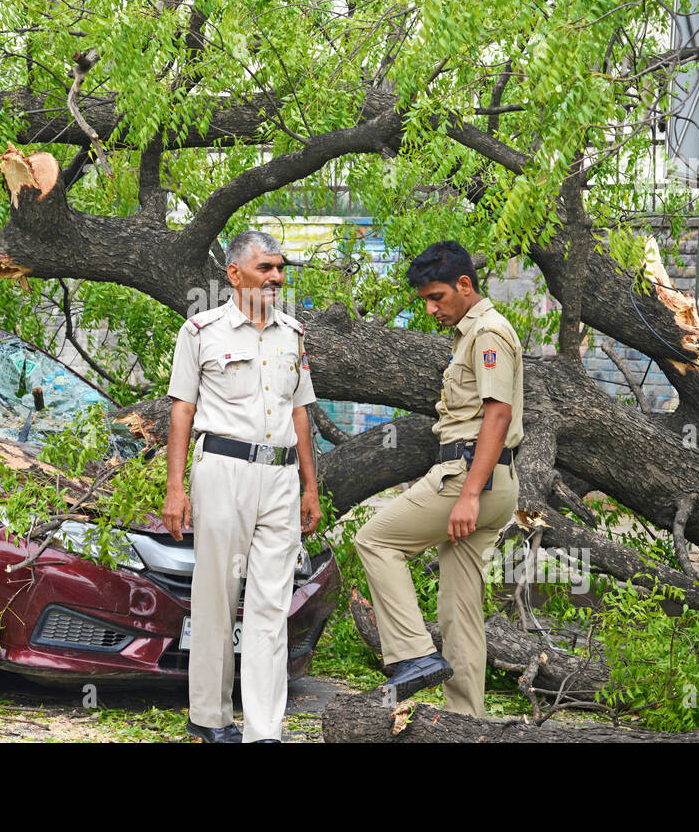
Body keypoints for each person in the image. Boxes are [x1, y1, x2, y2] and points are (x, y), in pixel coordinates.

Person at [161, 230, 322, 743]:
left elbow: (301, 414)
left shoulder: (293, 335)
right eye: (266, 269)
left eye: (281, 269)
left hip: (279, 478)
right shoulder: (200, 331)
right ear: (234, 274)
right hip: (222, 470)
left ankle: (264, 730)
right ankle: (210, 717)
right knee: (216, 595)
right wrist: (175, 487)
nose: (277, 278)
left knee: (272, 605)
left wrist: (310, 487)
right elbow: (182, 410)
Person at [354, 240, 523, 717]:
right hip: (492, 481)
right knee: (460, 613)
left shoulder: (487, 333)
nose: (431, 309)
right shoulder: (473, 333)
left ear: (464, 285)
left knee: (376, 541)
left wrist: (469, 494)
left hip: (469, 478)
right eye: (425, 300)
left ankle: (412, 655)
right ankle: (465, 722)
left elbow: (498, 416)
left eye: (437, 298)